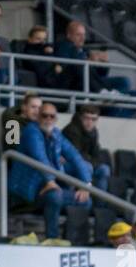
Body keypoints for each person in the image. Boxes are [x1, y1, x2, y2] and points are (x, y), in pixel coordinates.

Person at [10, 101, 92, 239]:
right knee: (54, 196)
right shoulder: (31, 131)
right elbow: (39, 157)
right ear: (38, 117)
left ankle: (71, 238)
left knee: (85, 200)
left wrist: (86, 184)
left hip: (47, 185)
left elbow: (74, 156)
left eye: (51, 116)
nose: (48, 119)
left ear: (56, 119)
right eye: (44, 116)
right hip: (26, 189)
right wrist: (50, 180)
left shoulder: (56, 133)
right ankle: (52, 239)